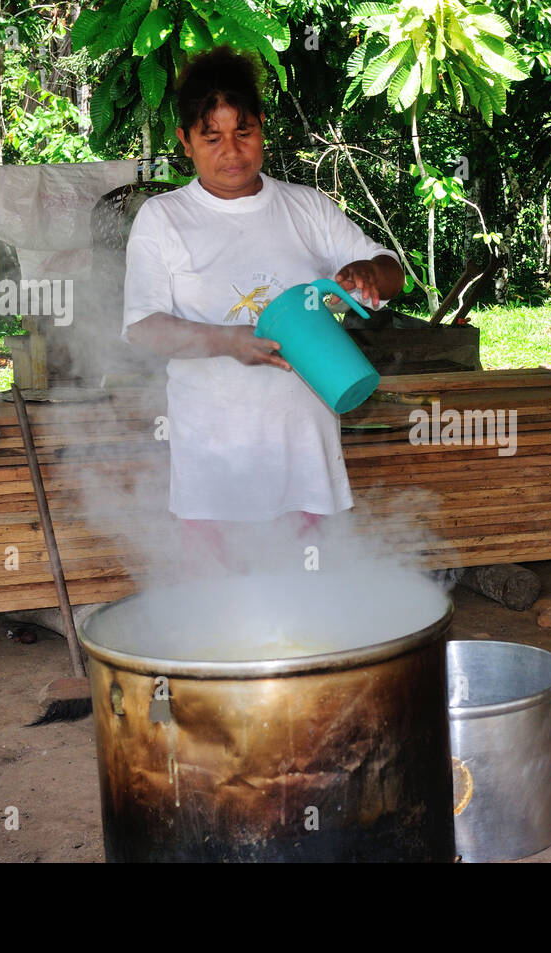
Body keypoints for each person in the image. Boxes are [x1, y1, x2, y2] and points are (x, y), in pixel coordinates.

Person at [122, 47, 404, 574]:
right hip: (212, 456)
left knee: (310, 590)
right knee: (220, 596)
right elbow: (144, 328)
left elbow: (392, 274)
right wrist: (229, 342)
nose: (232, 151)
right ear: (185, 141)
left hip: (304, 449)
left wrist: (368, 272)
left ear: (262, 128)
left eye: (244, 132)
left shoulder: (306, 207)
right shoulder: (164, 218)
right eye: (212, 137)